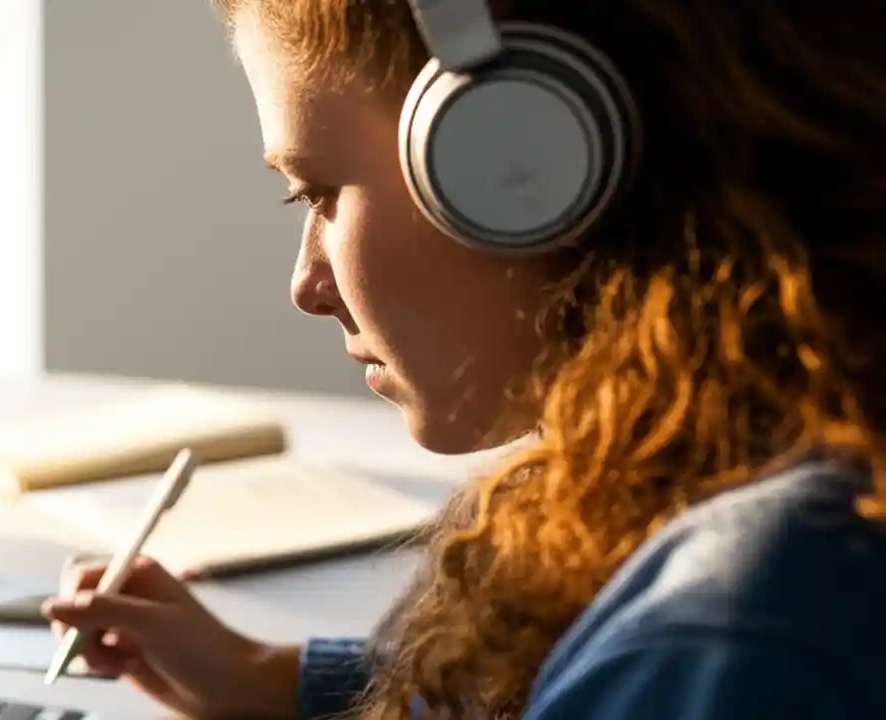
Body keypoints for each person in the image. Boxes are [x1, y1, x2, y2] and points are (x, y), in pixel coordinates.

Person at [43, 0, 886, 717]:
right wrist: (276, 682)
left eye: (319, 193)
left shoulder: (741, 626)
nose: (306, 283)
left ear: (519, 159)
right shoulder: (764, 492)